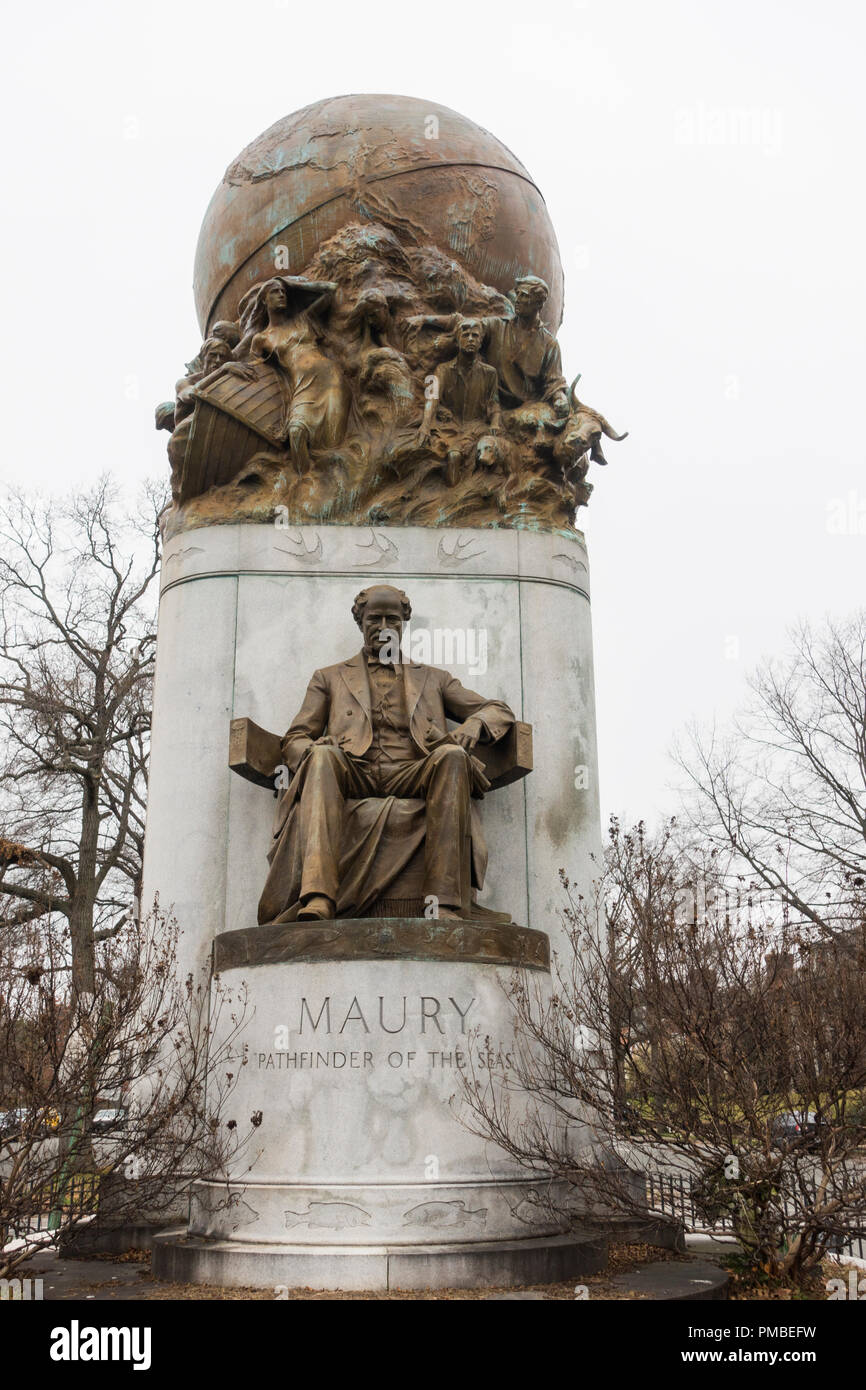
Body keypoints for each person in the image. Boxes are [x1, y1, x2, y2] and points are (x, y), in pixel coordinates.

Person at [257, 585, 515, 924]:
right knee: (321, 759)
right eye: (373, 619)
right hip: (353, 771)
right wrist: (311, 749)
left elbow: (499, 710)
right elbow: (295, 738)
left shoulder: (434, 679)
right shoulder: (329, 677)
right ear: (360, 623)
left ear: (404, 623)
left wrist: (475, 724)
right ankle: (318, 898)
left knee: (452, 757)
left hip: (413, 771)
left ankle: (444, 904)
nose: (382, 626)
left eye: (391, 619)